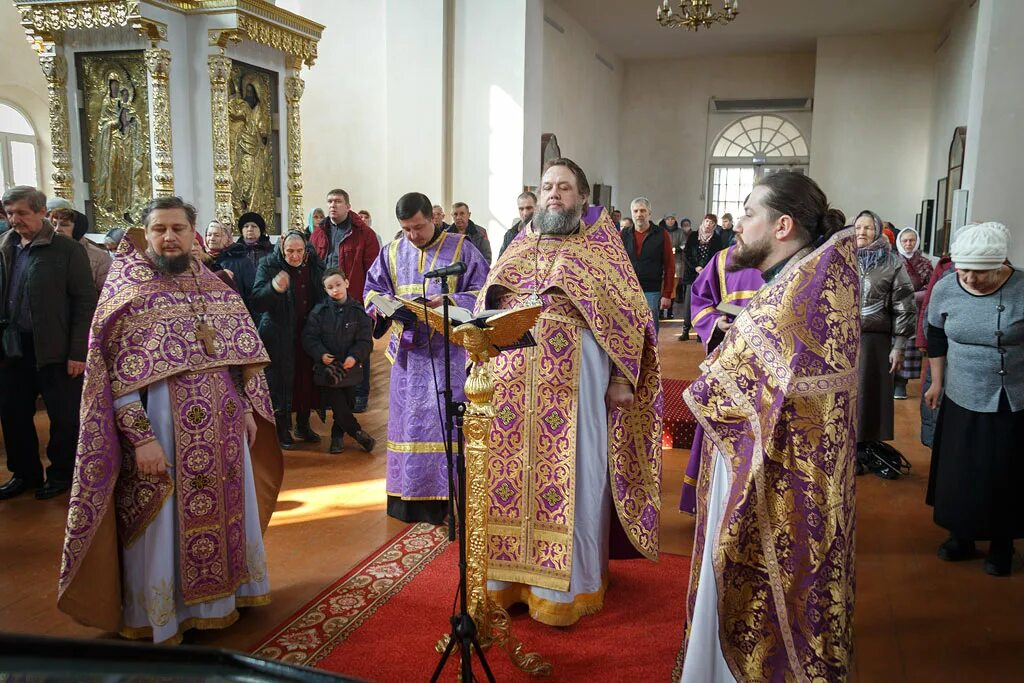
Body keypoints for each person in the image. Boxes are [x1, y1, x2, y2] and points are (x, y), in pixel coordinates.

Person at [57, 195, 282, 643]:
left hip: (223, 429)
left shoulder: (214, 287)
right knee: (162, 525)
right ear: (146, 234)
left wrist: (245, 408)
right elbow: (113, 380)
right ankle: (166, 614)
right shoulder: (130, 292)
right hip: (160, 429)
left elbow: (236, 360)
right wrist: (142, 440)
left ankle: (222, 600)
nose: (169, 237)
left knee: (226, 511)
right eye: (159, 229)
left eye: (177, 228)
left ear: (192, 234)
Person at [680, 171, 855, 682]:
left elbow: (738, 386)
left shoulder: (797, 297)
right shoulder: (807, 280)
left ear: (783, 226)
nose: (737, 225)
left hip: (776, 478)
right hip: (764, 461)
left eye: (748, 214)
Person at [480, 158, 662, 626]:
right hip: (512, 387)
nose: (554, 194)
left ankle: (564, 590)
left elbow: (631, 315)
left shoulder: (602, 247)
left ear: (582, 197)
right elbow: (487, 302)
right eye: (547, 187)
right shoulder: (519, 244)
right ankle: (507, 582)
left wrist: (621, 378)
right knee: (509, 478)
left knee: (576, 472)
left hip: (575, 383)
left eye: (564, 187)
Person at [363, 192, 489, 524]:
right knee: (408, 425)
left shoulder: (461, 249)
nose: (412, 235)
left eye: (418, 227)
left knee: (444, 423)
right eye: (406, 229)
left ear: (432, 218)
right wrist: (386, 308)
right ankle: (407, 499)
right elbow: (371, 290)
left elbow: (485, 291)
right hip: (408, 356)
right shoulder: (392, 252)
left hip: (449, 354)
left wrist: (450, 300)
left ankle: (447, 502)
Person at [925, 222, 1022, 577]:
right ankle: (961, 535)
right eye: (963, 269)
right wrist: (937, 383)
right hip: (961, 393)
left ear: (1000, 265)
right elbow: (936, 335)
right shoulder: (946, 287)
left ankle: (1002, 544)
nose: (968, 278)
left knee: (1003, 472)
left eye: (979, 272)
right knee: (961, 470)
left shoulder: (1021, 288)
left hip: (1010, 397)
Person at [0, 186, 97, 500]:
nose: (14, 219)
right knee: (13, 414)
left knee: (63, 417)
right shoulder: (5, 245)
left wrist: (78, 351)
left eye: (21, 213)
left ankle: (61, 474)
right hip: (12, 348)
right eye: (9, 213)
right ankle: (24, 473)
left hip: (56, 348)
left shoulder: (66, 250)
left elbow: (85, 302)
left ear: (41, 212)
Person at [678, 237, 764, 515]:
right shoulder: (724, 259)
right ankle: (714, 503)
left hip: (770, 369)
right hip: (729, 360)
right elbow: (700, 298)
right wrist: (716, 322)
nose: (741, 227)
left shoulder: (793, 259)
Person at [854, 209, 916, 478]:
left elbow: (905, 304)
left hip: (875, 341)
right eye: (858, 227)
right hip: (843, 340)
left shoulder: (891, 262)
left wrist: (899, 345)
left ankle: (866, 448)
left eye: (868, 227)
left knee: (871, 396)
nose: (862, 232)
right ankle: (847, 451)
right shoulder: (842, 258)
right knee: (846, 397)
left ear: (878, 231)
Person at [252, 230, 325, 449]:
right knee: (282, 382)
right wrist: (274, 287)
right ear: (282, 249)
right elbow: (257, 302)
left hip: (308, 333)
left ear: (306, 249)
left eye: (299, 251)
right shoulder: (268, 265)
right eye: (290, 251)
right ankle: (282, 428)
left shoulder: (315, 264)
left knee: (306, 380)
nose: (295, 256)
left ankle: (303, 424)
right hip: (279, 334)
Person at [310, 189, 380, 413]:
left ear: (348, 206)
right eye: (330, 201)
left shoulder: (364, 234)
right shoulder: (318, 233)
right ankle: (333, 393)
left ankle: (360, 393)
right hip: (325, 302)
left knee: (358, 348)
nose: (333, 205)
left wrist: (368, 303)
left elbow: (374, 273)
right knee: (330, 347)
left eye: (338, 201)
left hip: (355, 301)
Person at [302, 267, 376, 454]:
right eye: (330, 287)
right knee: (337, 403)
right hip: (328, 370)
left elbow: (365, 341)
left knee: (348, 403)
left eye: (338, 285)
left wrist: (355, 356)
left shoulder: (358, 312)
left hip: (350, 368)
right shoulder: (319, 312)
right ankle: (358, 433)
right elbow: (309, 338)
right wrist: (321, 354)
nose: (335, 290)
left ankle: (337, 436)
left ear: (346, 283)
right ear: (325, 290)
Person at [621, 197, 674, 334]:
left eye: (643, 211)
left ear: (649, 213)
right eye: (636, 211)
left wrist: (667, 294)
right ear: (632, 213)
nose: (639, 214)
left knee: (649, 330)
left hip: (651, 289)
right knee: (628, 330)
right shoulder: (623, 234)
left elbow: (669, 265)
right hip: (627, 289)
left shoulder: (661, 234)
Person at [917, 254, 955, 447]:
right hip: (943, 355)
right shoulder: (945, 277)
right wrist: (922, 339)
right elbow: (931, 317)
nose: (971, 278)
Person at [894, 226, 934, 400]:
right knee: (893, 345)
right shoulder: (892, 260)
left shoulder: (925, 263)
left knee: (909, 346)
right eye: (905, 240)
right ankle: (890, 381)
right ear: (899, 242)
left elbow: (930, 288)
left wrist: (911, 296)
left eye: (911, 240)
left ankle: (902, 383)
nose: (908, 244)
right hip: (894, 308)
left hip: (915, 310)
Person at [679, 214, 725, 340]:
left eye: (712, 223)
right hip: (692, 274)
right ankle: (685, 330)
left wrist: (706, 270)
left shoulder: (717, 239)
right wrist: (696, 267)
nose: (708, 224)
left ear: (714, 226)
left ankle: (700, 332)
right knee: (689, 303)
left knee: (704, 304)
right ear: (703, 222)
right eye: (707, 221)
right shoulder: (693, 236)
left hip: (707, 276)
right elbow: (686, 253)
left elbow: (718, 256)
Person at [205, 220, 259, 319]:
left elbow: (252, 294)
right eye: (209, 235)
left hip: (236, 315)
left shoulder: (242, 261)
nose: (212, 239)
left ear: (228, 239)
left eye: (217, 235)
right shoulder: (200, 260)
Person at [49, 207, 111, 291]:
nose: (57, 229)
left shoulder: (100, 258)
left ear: (77, 228)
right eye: (54, 224)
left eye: (64, 225)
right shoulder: (44, 252)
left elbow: (106, 292)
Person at [499, 191, 537, 257]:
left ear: (537, 208)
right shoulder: (510, 235)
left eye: (529, 208)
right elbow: (501, 260)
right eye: (521, 209)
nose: (525, 213)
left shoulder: (545, 233)